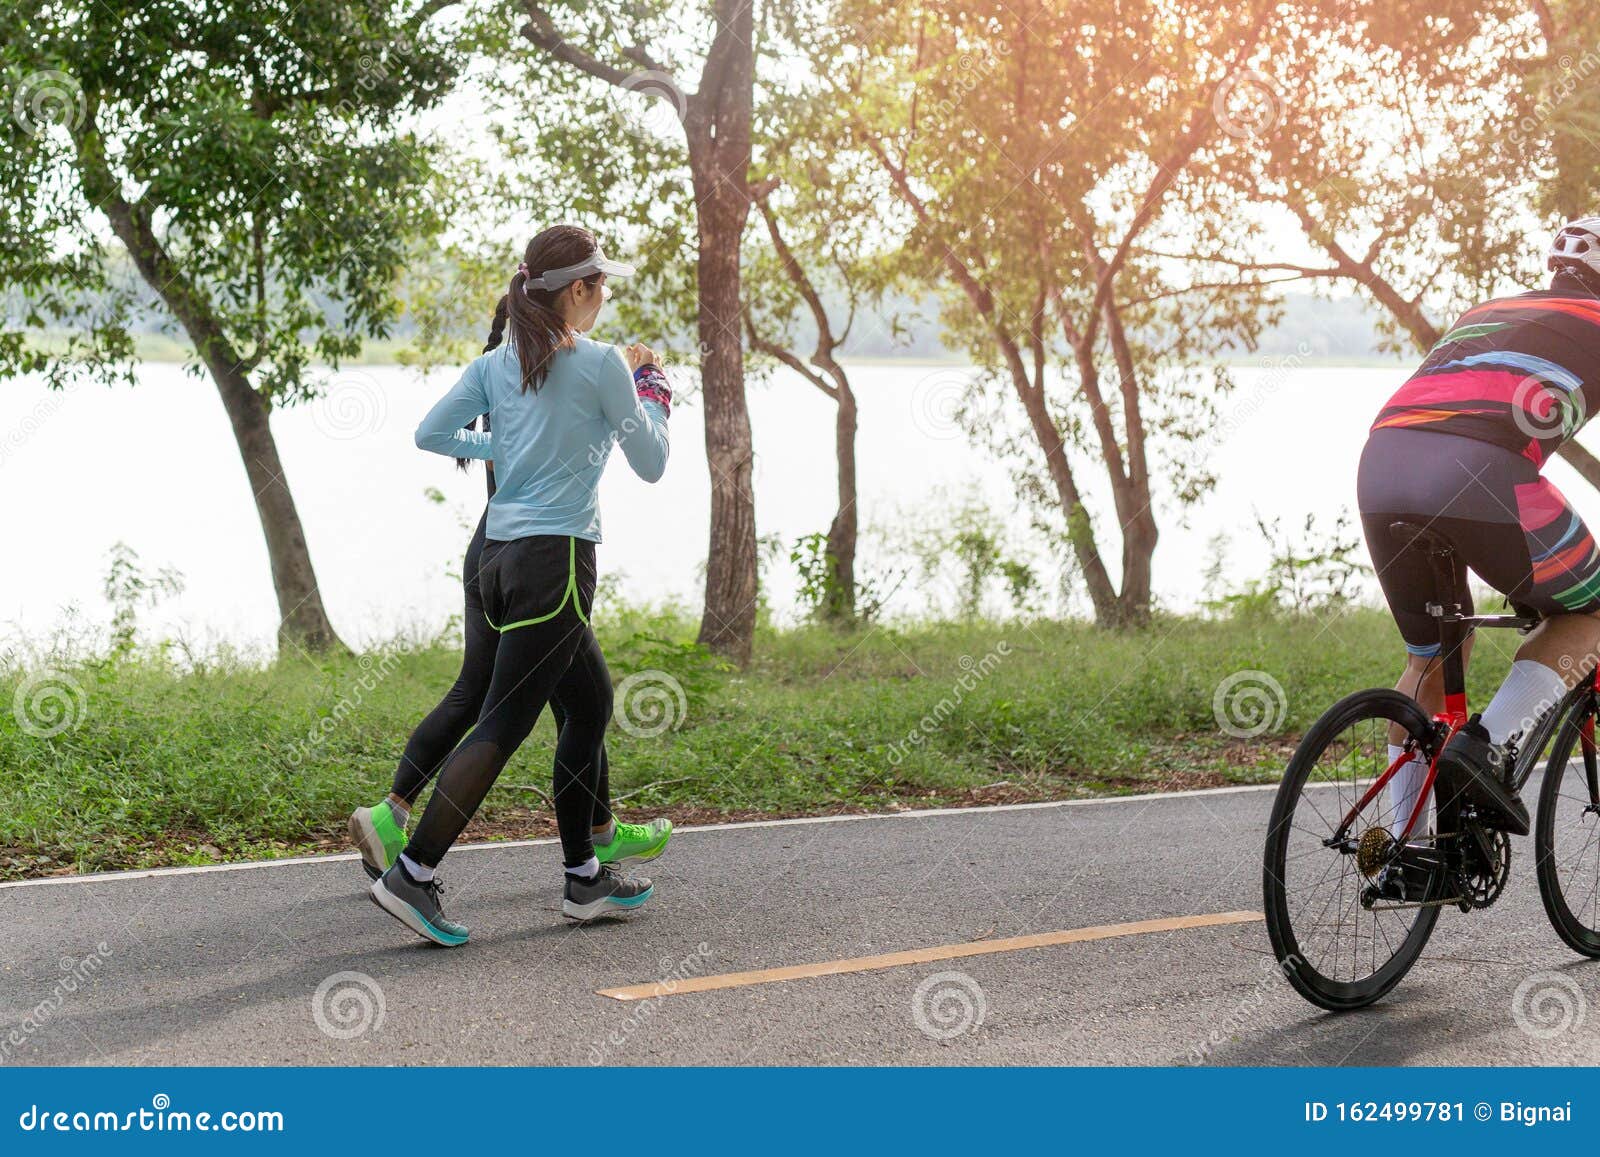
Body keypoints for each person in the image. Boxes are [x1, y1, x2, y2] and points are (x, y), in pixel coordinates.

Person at [369, 224, 673, 946]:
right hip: (556, 564)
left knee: (590, 702)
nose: (603, 299)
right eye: (600, 286)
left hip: (497, 557)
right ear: (576, 291)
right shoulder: (601, 365)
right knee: (503, 724)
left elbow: (431, 435)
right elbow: (653, 461)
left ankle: (584, 878)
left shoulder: (500, 364)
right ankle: (412, 871)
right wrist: (651, 383)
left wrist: (499, 443)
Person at [1358, 216, 1600, 859]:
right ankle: (1483, 751)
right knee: (1592, 611)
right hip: (1483, 475)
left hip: (1382, 465)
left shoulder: (1490, 307)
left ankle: (1399, 848)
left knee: (1432, 652)